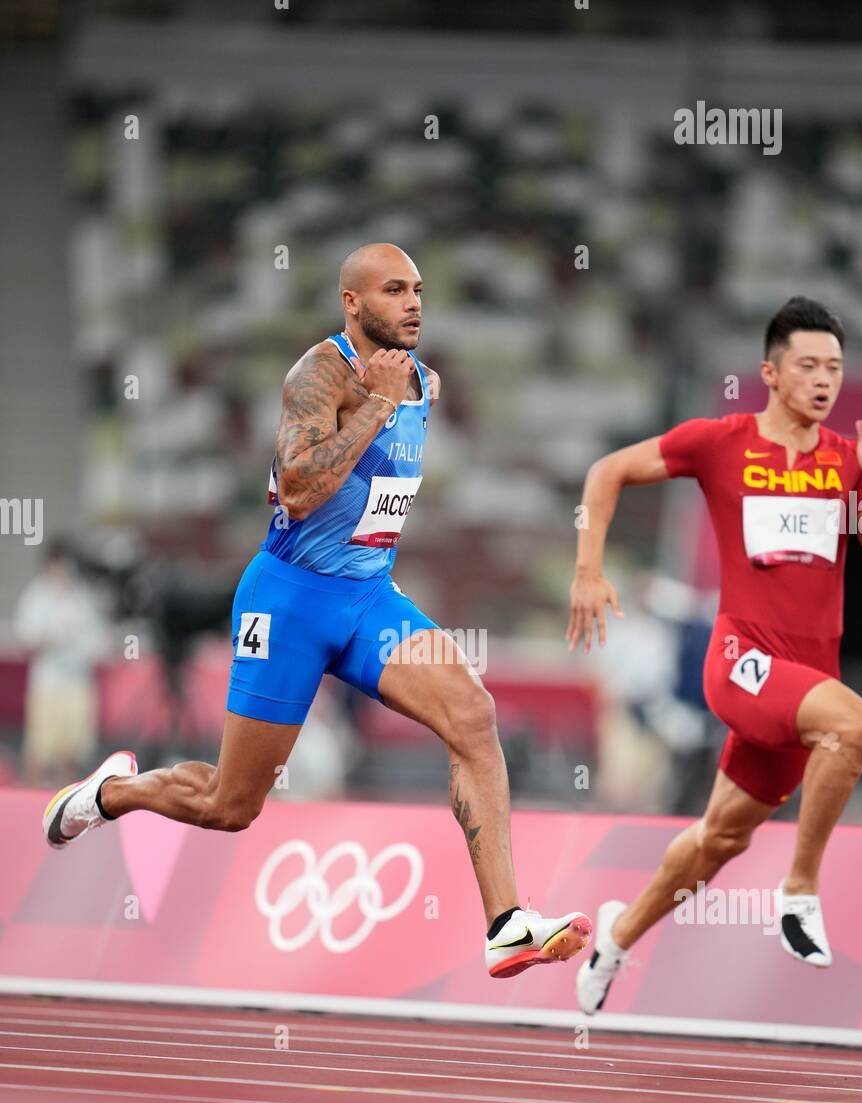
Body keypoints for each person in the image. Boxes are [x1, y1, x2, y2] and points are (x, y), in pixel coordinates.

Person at [44, 243, 591, 979]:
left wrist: (396, 401)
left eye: (420, 290)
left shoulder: (424, 383)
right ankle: (108, 793)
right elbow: (300, 490)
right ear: (354, 303)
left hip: (367, 598)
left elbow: (379, 502)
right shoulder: (321, 374)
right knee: (231, 805)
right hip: (289, 600)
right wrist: (378, 405)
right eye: (395, 290)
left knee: (473, 715)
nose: (414, 303)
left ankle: (507, 924)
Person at [567, 296, 862, 1012]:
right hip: (740, 660)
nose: (825, 380)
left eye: (835, 368)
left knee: (721, 837)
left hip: (805, 678)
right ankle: (798, 891)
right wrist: (589, 569)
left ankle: (617, 936)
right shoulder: (718, 442)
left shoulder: (848, 464)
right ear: (770, 372)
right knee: (854, 725)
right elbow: (606, 471)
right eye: (808, 366)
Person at [16, 541, 107, 786]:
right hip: (49, 683)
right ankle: (27, 804)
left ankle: (63, 809)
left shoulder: (82, 597)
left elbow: (97, 639)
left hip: (77, 682)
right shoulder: (36, 595)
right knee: (41, 751)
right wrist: (49, 635)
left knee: (71, 753)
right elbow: (25, 636)